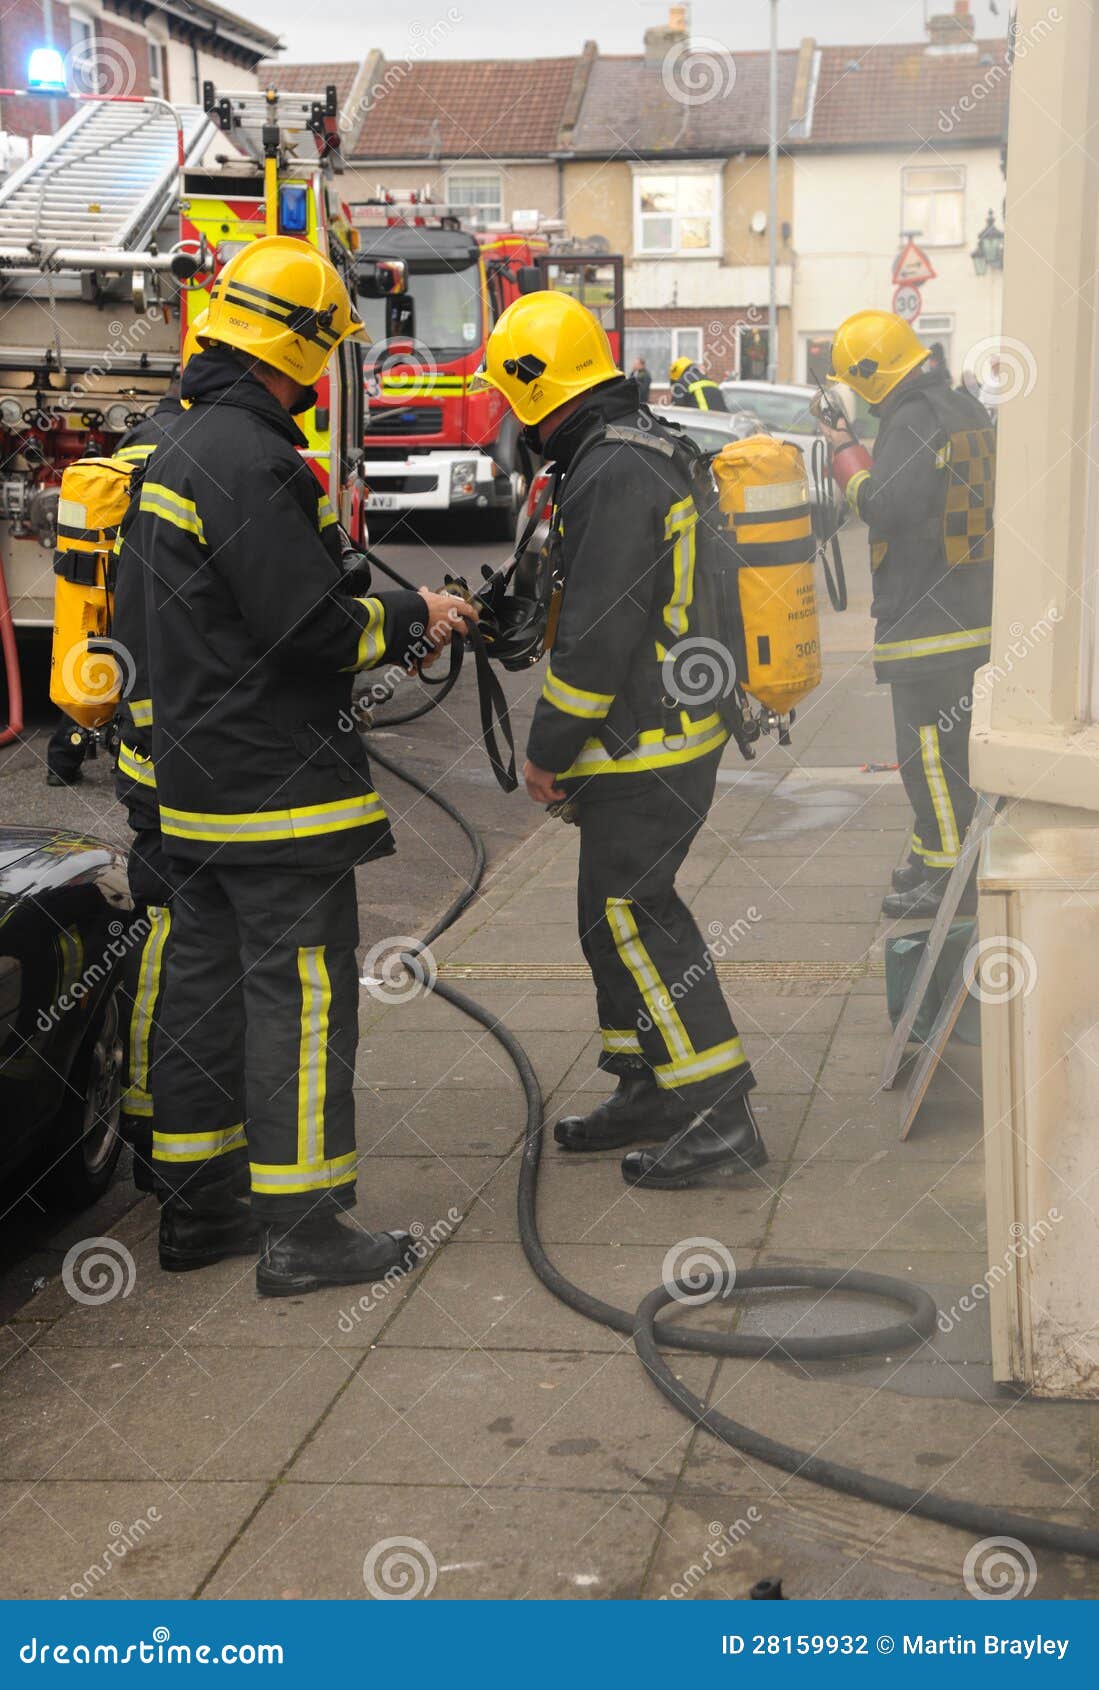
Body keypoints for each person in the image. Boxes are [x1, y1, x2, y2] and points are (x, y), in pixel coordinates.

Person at [114, 236, 477, 1293]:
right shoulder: (254, 458)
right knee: (303, 996)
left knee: (202, 985)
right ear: (306, 349)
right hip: (274, 790)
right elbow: (307, 627)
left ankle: (197, 1209)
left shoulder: (172, 445)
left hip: (188, 787)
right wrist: (414, 615)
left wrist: (394, 612)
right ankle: (307, 1230)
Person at [476, 291, 766, 1189]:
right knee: (606, 921)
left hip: (651, 740)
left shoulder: (611, 471)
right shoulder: (623, 450)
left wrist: (545, 751)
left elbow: (598, 636)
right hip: (659, 731)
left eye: (508, 398)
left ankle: (718, 1113)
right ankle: (645, 1082)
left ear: (535, 392)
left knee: (636, 917)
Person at [817, 309, 995, 918]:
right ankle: (931, 857)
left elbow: (887, 505)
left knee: (930, 761)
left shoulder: (913, 419)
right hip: (970, 615)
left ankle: (948, 883)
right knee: (954, 757)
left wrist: (845, 456)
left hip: (929, 626)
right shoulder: (960, 408)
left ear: (868, 377)